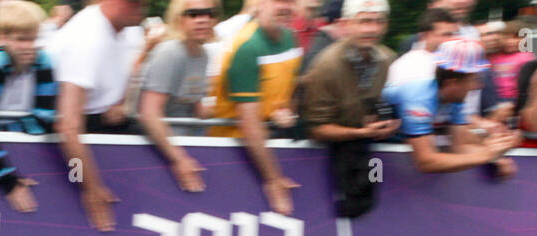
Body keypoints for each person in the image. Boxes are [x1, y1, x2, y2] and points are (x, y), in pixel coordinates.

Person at [45, 0, 145, 229]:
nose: (142, 6)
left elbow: (125, 73)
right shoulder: (86, 37)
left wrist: (120, 102)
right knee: (75, 176)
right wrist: (89, 188)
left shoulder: (130, 30)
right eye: (134, 3)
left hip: (98, 119)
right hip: (64, 126)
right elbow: (66, 127)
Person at [300, 0, 397, 215]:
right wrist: (360, 132)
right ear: (345, 24)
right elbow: (315, 128)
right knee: (341, 212)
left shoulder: (389, 60)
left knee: (376, 197)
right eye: (363, 21)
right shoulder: (326, 65)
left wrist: (392, 124)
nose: (370, 29)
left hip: (371, 153)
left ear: (385, 25)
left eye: (377, 22)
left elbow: (389, 106)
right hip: (327, 156)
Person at [209, 0, 302, 214]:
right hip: (230, 152)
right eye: (278, 1)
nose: (286, 7)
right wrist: (274, 180)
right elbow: (249, 126)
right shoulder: (247, 47)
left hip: (268, 145)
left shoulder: (291, 37)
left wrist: (285, 110)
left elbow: (291, 87)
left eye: (292, 1)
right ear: (259, 3)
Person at [0, 0, 55, 211]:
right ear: (2, 38)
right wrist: (8, 182)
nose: (28, 47)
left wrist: (1, 129)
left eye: (32, 39)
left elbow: (44, 119)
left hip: (11, 143)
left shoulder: (44, 61)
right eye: (21, 40)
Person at [381, 36, 517, 177]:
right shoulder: (419, 99)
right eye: (473, 80)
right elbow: (426, 162)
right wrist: (486, 155)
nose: (478, 86)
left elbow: (459, 147)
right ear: (451, 83)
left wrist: (495, 155)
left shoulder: (456, 97)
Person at [137, 0, 217, 192]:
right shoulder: (170, 52)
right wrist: (179, 159)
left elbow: (197, 107)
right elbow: (149, 113)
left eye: (209, 14)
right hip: (158, 150)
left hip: (184, 143)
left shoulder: (203, 54)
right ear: (178, 19)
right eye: (193, 14)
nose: (203, 20)